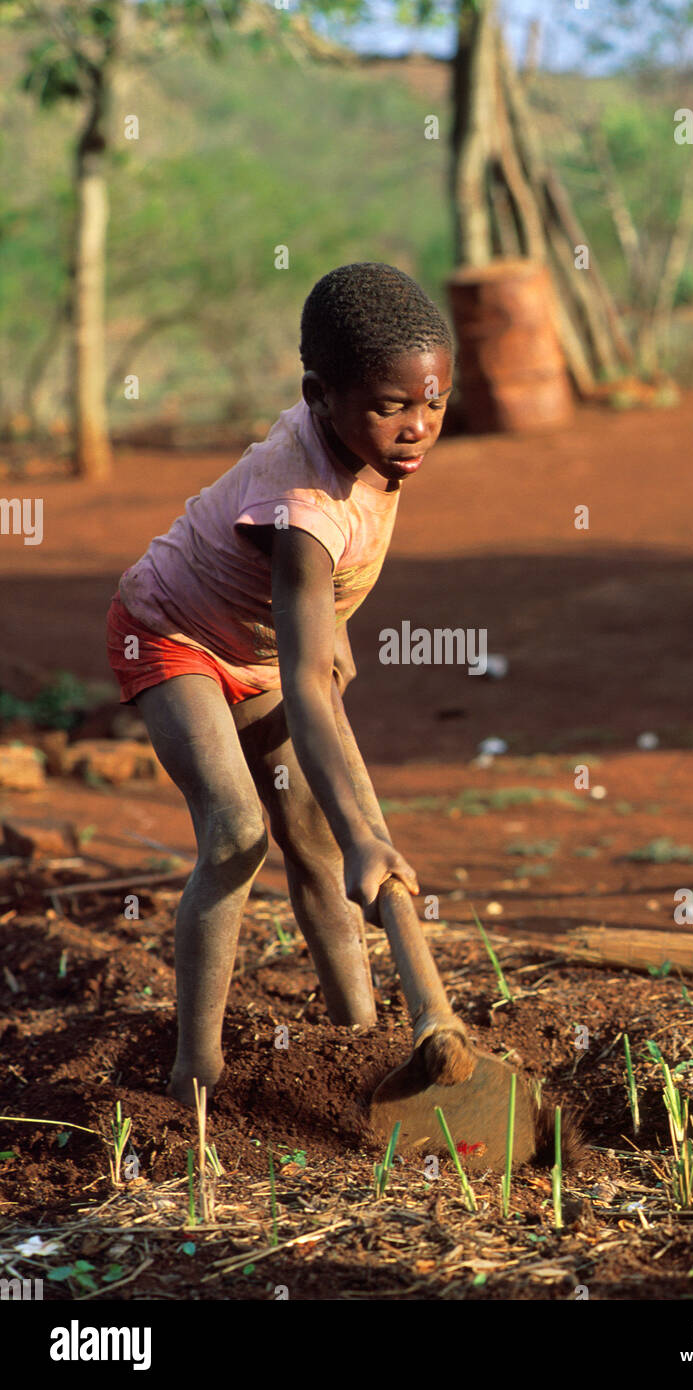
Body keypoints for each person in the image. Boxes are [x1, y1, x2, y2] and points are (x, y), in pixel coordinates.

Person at [106, 262, 455, 1107]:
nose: (417, 427)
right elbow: (306, 684)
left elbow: (306, 589)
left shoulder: (352, 440)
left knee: (314, 839)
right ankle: (196, 1076)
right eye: (390, 406)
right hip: (173, 633)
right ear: (321, 395)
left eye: (434, 402)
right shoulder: (306, 510)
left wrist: (329, 620)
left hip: (260, 636)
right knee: (234, 832)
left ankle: (364, 1039)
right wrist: (374, 832)